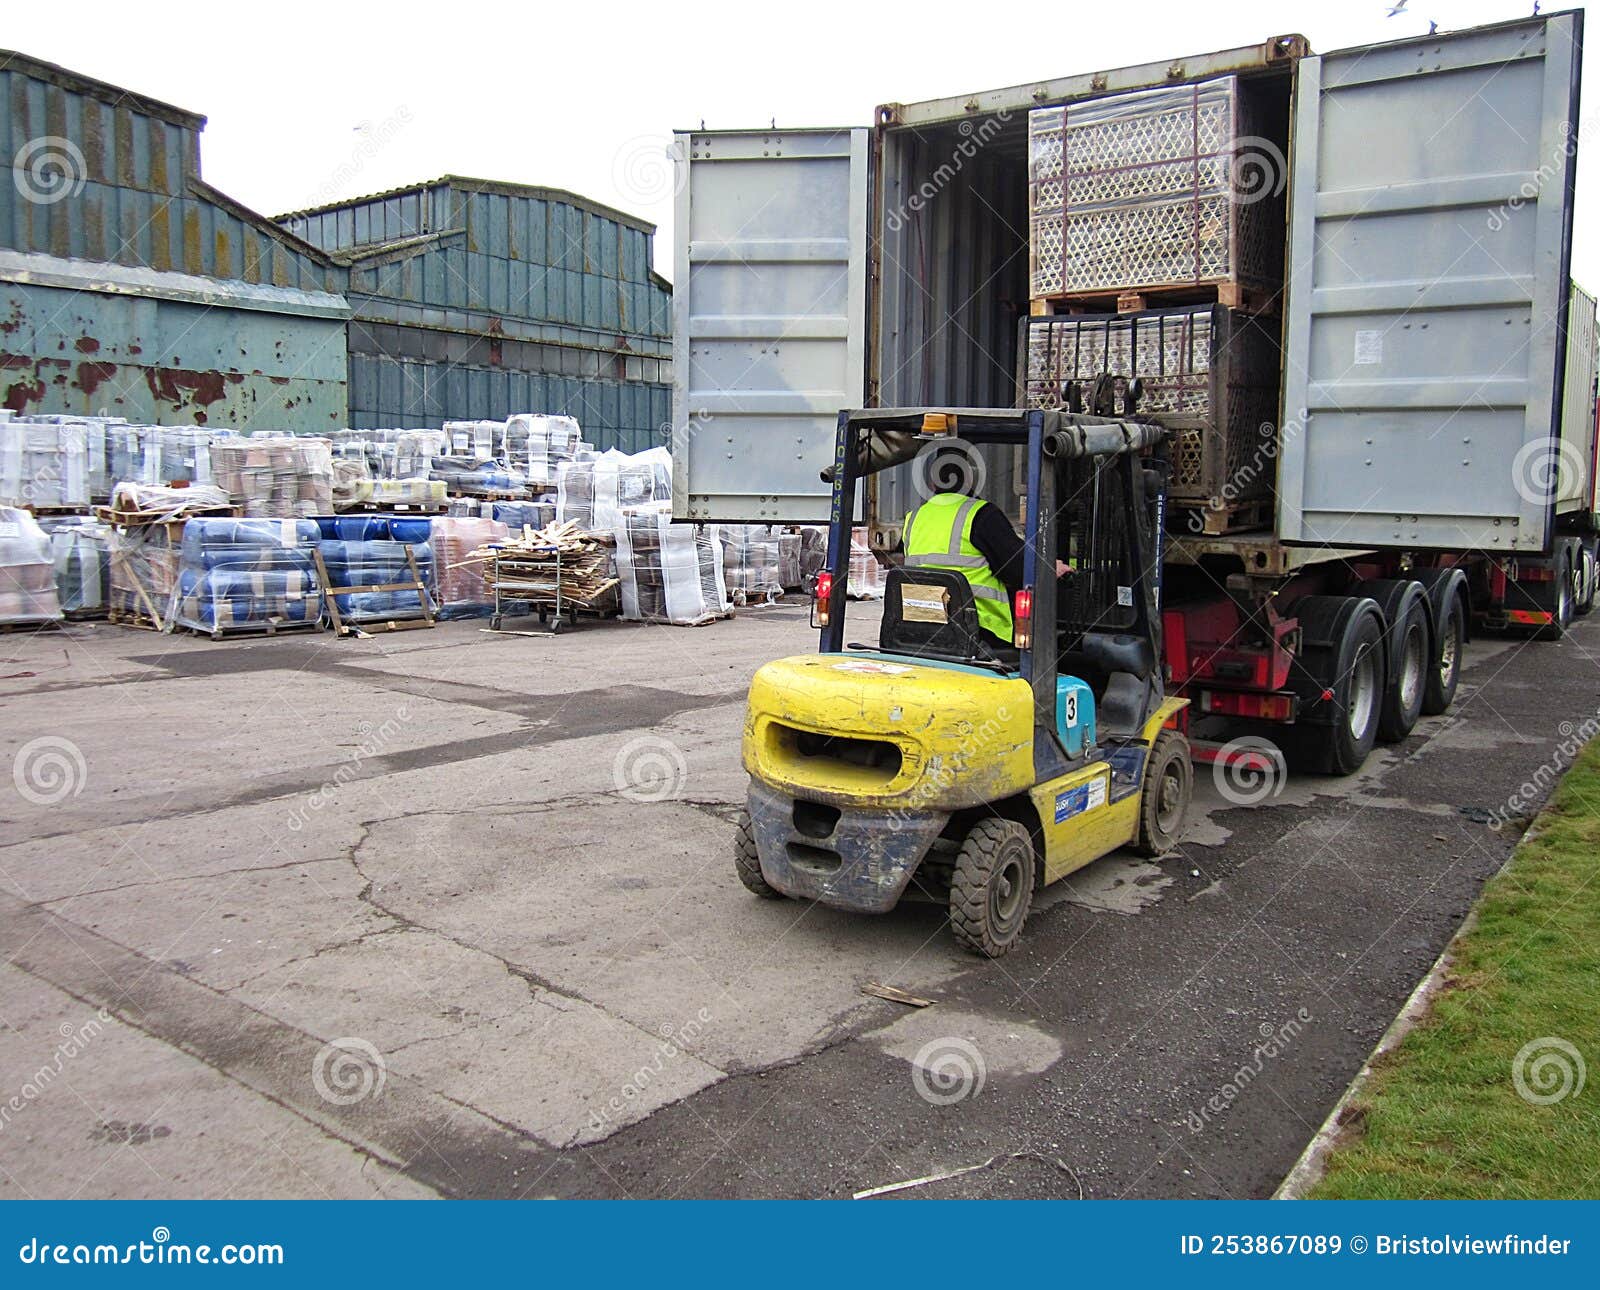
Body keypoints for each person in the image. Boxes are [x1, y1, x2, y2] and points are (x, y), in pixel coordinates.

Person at [902, 485, 1071, 649]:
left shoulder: (913, 517)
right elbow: (1019, 571)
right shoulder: (981, 514)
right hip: (980, 632)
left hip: (920, 629)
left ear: (932, 484)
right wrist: (1049, 568)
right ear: (971, 481)